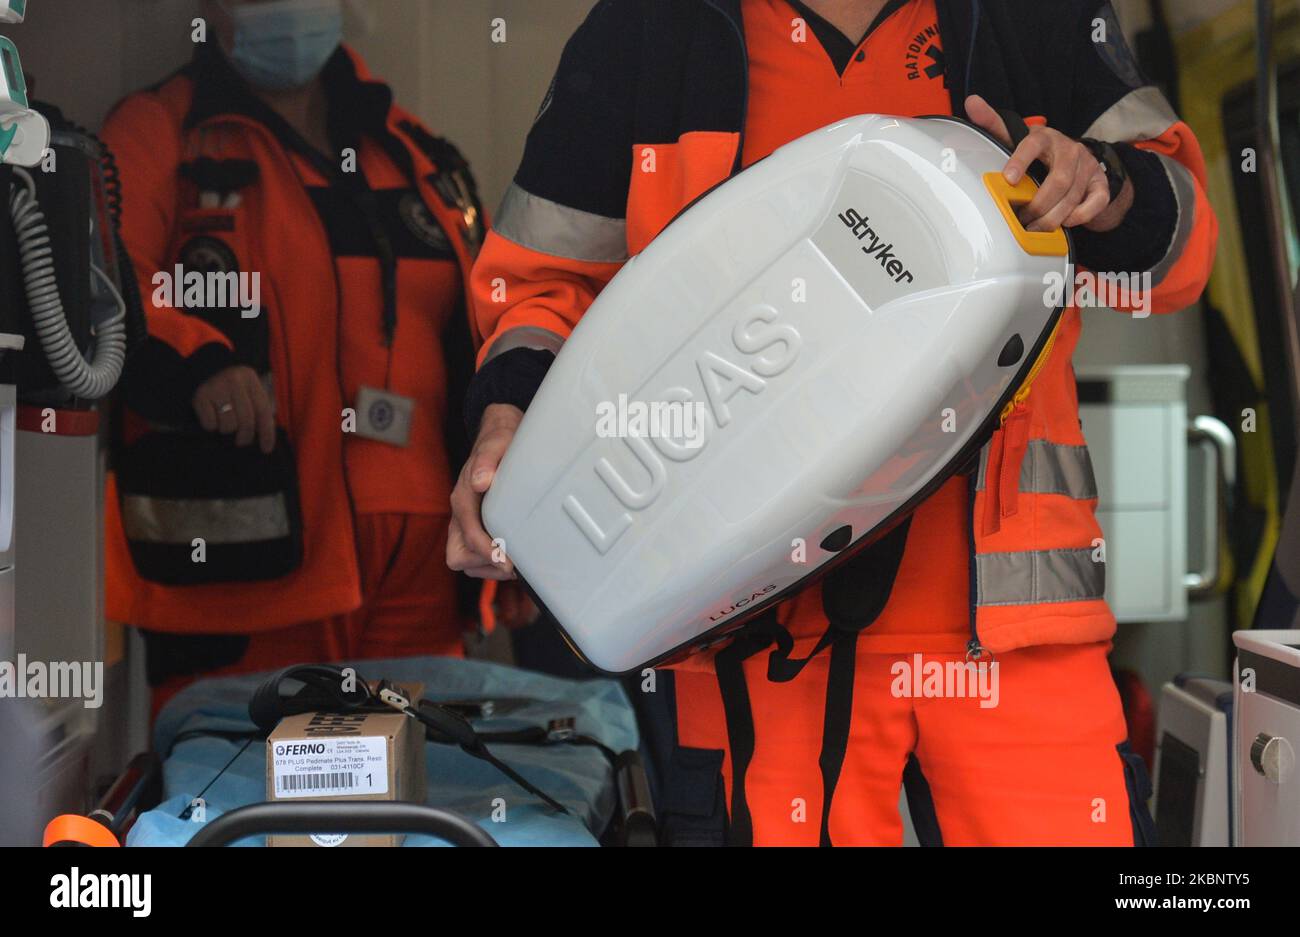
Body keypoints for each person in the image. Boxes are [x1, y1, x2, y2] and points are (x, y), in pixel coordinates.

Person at [448, 0, 1218, 845]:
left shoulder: (1037, 16)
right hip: (752, 638)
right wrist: (504, 417)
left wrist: (1105, 185)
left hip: (1015, 639)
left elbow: (1182, 260)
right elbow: (534, 286)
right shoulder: (648, 29)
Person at [102, 0, 489, 710]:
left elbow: (494, 340)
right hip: (246, 572)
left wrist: (513, 535)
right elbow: (102, 288)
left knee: (422, 804)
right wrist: (198, 361)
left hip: (422, 575)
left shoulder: (417, 154)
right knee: (246, 810)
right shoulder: (161, 134)